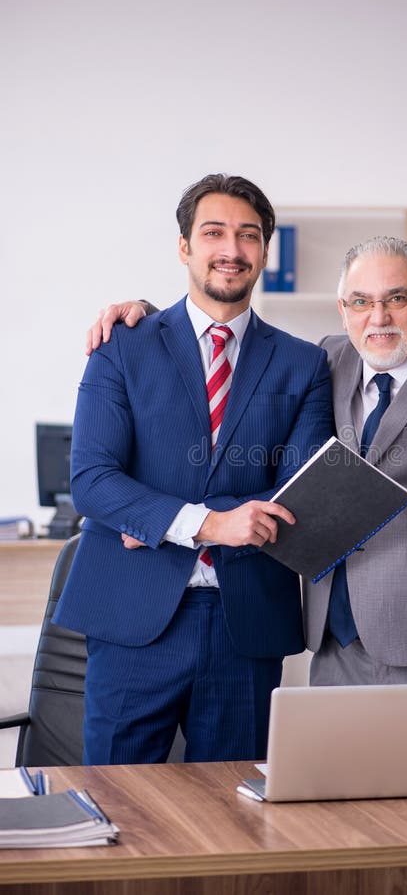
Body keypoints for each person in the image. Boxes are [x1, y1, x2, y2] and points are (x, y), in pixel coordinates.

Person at [89, 235, 407, 753]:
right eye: (361, 302)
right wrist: (146, 315)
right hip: (336, 645)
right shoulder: (327, 360)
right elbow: (234, 347)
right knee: (343, 815)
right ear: (343, 311)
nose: (379, 316)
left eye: (397, 298)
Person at [55, 173, 333, 765]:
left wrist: (155, 514)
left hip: (248, 623)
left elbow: (300, 491)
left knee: (237, 824)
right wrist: (207, 522)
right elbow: (93, 481)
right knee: (119, 807)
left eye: (248, 236)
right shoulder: (121, 346)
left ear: (263, 251)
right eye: (214, 232)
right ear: (184, 246)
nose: (231, 250)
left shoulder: (303, 365)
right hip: (132, 618)